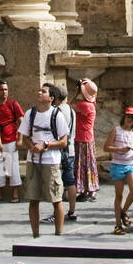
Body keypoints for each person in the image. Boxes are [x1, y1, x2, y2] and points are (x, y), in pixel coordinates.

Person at [19, 83, 70, 238]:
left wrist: (46, 144)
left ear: (51, 98)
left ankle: (58, 234)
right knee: (33, 198)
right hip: (33, 161)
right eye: (39, 90)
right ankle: (35, 234)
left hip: (51, 161)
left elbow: (63, 141)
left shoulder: (57, 115)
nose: (39, 92)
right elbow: (24, 137)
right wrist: (32, 147)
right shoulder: (30, 113)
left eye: (43, 91)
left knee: (56, 198)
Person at [103, 106, 133, 233]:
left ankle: (123, 211)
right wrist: (120, 149)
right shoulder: (116, 130)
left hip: (130, 163)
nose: (130, 120)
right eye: (128, 117)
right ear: (124, 117)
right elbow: (106, 147)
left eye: (132, 118)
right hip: (118, 164)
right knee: (119, 194)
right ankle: (118, 224)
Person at [0, 79, 24, 204]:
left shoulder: (13, 104)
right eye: (2, 90)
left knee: (13, 166)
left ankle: (15, 191)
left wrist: (20, 139)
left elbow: (21, 122)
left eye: (6, 89)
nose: (4, 92)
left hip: (11, 140)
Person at [71, 78, 100, 205]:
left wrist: (76, 92)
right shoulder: (91, 105)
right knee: (89, 165)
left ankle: (84, 189)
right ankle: (90, 189)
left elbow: (68, 106)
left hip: (82, 138)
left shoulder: (84, 105)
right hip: (88, 137)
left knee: (81, 164)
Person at [51, 86, 78, 221]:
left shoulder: (57, 112)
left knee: (58, 181)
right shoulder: (71, 110)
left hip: (61, 150)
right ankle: (71, 211)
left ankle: (58, 212)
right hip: (71, 149)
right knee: (70, 181)